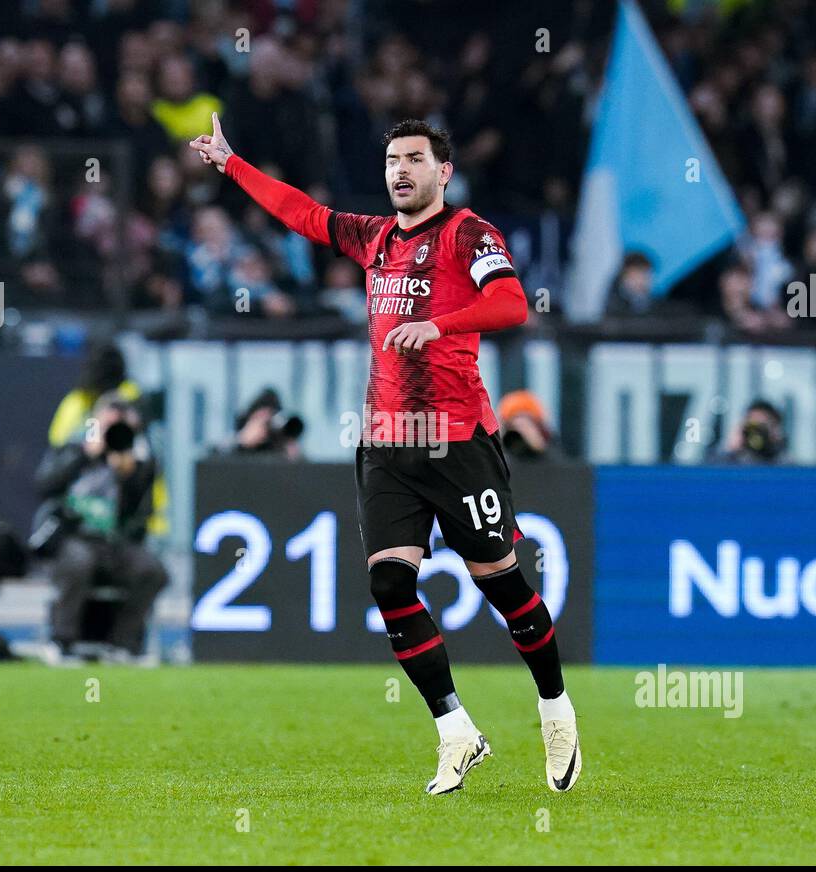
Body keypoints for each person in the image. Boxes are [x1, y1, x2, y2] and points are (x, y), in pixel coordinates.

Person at [191, 114, 581, 795]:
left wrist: (439, 323)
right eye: (392, 160)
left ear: (442, 172)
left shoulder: (469, 234)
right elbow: (303, 213)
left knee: (504, 588)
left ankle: (554, 708)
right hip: (388, 444)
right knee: (389, 583)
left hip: (459, 443)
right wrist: (231, 163)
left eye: (415, 159)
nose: (400, 170)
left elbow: (514, 305)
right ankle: (455, 731)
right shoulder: (371, 237)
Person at [34, 394, 168, 657]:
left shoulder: (137, 461)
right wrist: (85, 455)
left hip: (115, 542)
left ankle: (124, 644)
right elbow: (45, 486)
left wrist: (130, 474)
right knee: (79, 561)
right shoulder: (72, 449)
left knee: (151, 570)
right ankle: (61, 642)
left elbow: (141, 514)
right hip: (75, 537)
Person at [710, 399, 787, 465]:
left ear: (775, 429)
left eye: (762, 426)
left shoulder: (785, 464)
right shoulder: (730, 461)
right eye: (752, 426)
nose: (756, 433)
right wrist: (730, 449)